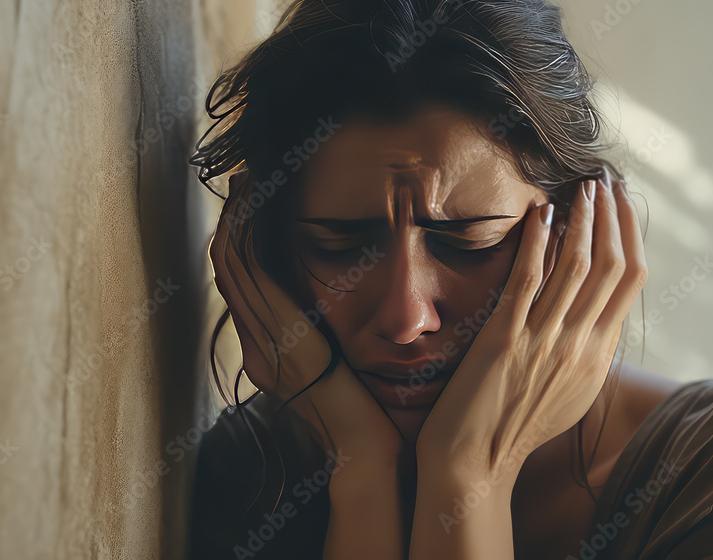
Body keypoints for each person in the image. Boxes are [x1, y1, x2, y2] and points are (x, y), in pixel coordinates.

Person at [186, 1, 713, 559]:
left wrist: (471, 472)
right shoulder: (251, 477)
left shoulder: (694, 480)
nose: (406, 319)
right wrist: (363, 475)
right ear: (266, 253)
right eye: (338, 246)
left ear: (586, 238)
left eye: (471, 242)